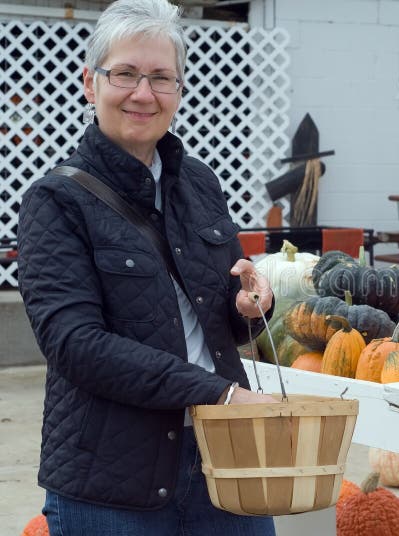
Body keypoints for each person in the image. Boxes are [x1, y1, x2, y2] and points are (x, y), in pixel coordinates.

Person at [16, 0, 279, 534]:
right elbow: (76, 345)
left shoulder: (199, 184)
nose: (143, 93)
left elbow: (222, 317)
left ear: (178, 91)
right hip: (110, 481)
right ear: (91, 83)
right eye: (126, 74)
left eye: (161, 78)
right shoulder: (55, 201)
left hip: (224, 460)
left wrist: (249, 306)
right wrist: (218, 392)